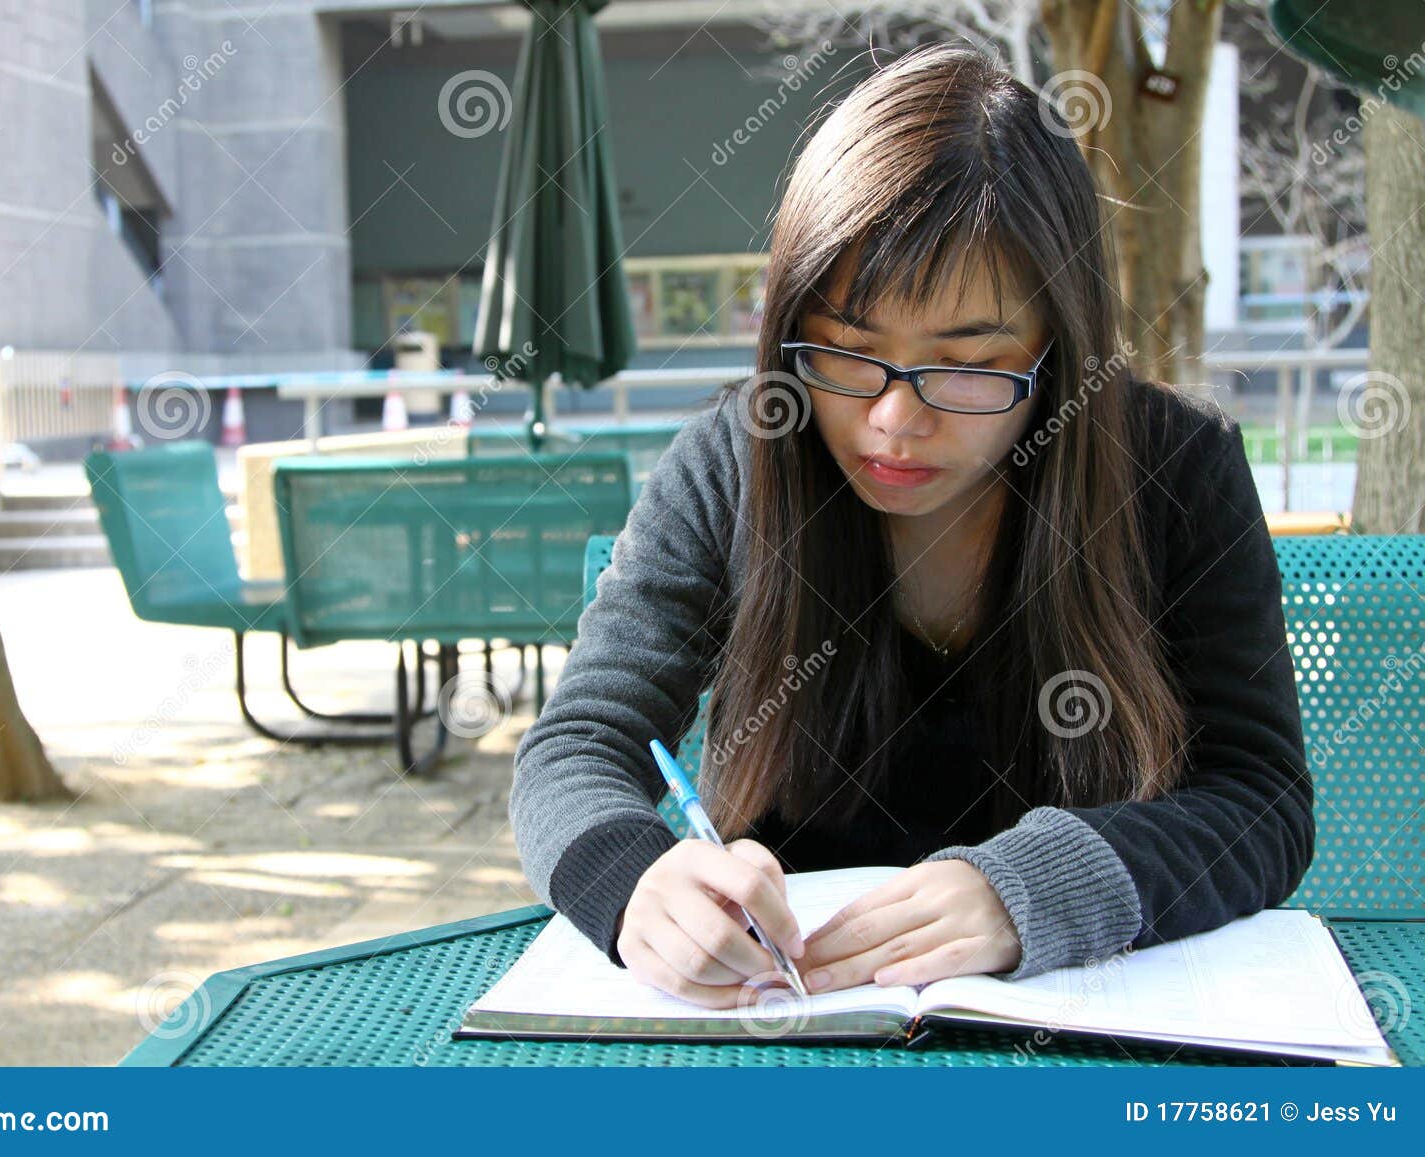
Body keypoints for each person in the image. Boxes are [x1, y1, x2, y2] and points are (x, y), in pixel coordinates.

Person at [508, 42, 1313, 1010]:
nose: (891, 419)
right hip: (791, 1024)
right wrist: (634, 880)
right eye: (845, 353)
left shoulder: (1174, 473)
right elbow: (578, 742)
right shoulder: (738, 459)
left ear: (1058, 351)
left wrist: (1041, 888)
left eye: (965, 364)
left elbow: (1259, 798)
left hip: (1091, 1030)